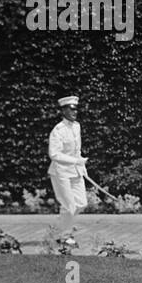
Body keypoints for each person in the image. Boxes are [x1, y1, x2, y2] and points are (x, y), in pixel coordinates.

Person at [47, 94, 88, 241]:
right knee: (69, 206)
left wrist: (81, 165)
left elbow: (77, 150)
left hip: (76, 171)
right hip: (60, 172)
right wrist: (75, 161)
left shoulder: (77, 126)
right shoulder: (58, 130)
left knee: (82, 203)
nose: (74, 112)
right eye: (71, 109)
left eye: (76, 109)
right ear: (63, 111)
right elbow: (54, 154)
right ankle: (64, 236)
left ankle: (66, 224)